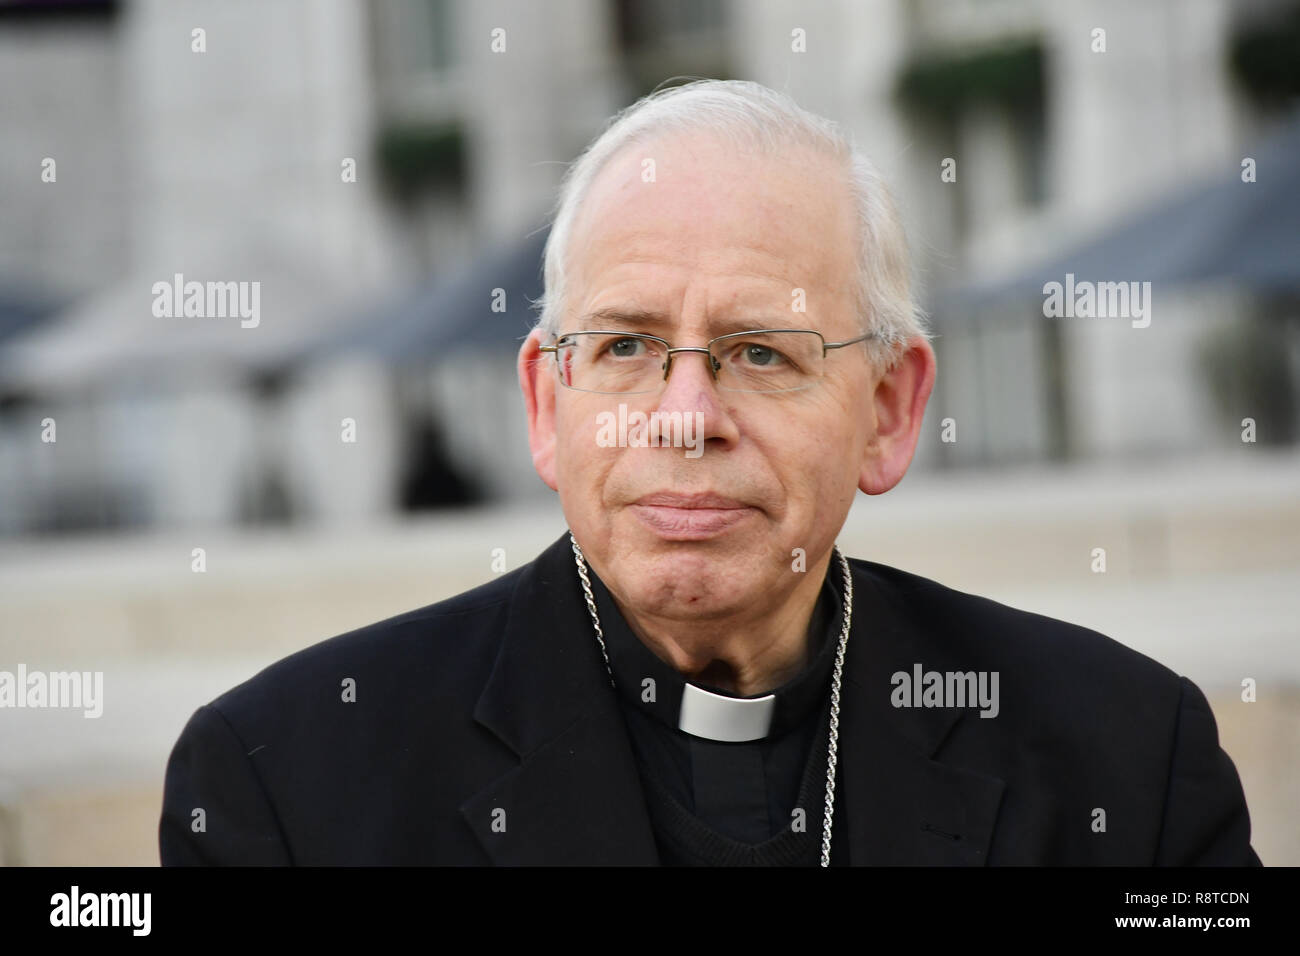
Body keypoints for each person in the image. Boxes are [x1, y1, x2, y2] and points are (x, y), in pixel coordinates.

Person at [159, 79, 1260, 866]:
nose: (686, 419)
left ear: (888, 408)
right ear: (548, 404)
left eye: (760, 352)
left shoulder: (1122, 756)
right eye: (627, 345)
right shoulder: (285, 782)